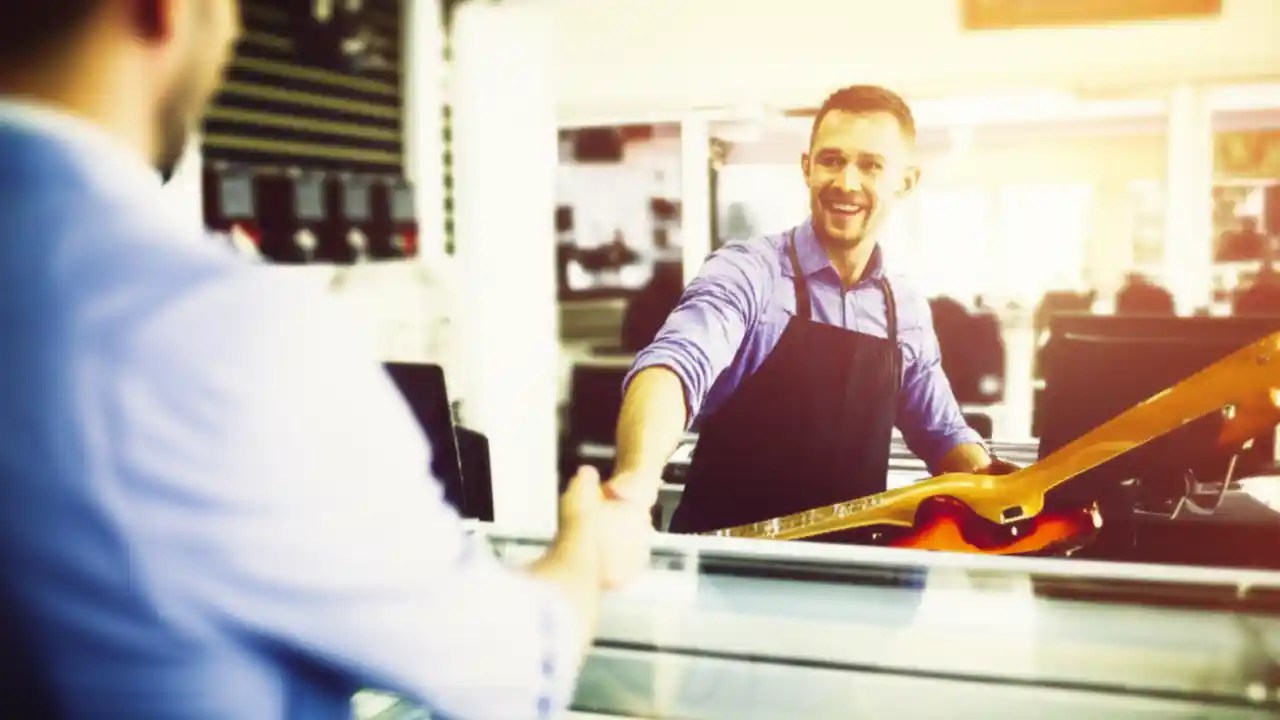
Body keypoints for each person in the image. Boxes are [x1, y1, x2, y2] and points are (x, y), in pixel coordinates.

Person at [0, 1, 650, 717]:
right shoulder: (217, 328)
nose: (232, 36)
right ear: (164, 11)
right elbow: (508, 669)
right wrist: (586, 546)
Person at [606, 85, 1012, 535]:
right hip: (730, 562)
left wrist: (998, 489)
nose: (847, 183)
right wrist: (634, 488)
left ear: (906, 182)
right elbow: (673, 368)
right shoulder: (749, 271)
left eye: (871, 165)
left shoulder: (905, 308)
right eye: (832, 160)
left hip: (849, 564)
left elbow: (943, 432)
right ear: (807, 167)